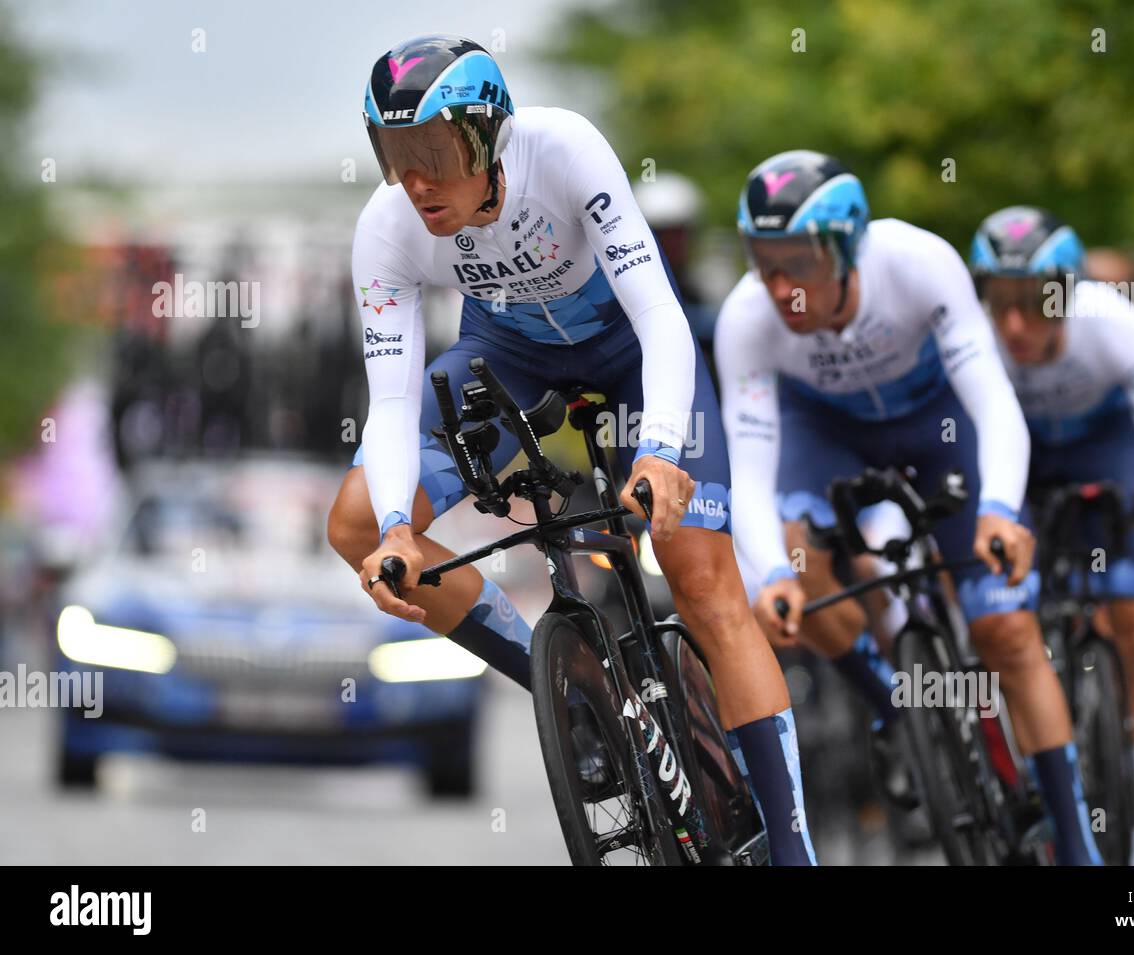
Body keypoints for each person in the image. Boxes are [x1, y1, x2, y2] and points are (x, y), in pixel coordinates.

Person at [325, 34, 817, 864]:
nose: (416, 179)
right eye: (394, 154)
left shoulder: (563, 148)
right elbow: (396, 395)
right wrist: (395, 525)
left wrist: (659, 447)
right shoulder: (387, 226)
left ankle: (796, 852)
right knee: (353, 525)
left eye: (435, 151)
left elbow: (660, 314)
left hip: (630, 351)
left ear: (487, 138)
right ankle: (578, 694)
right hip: (506, 358)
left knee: (697, 575)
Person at [717, 150, 1103, 865]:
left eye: (795, 260)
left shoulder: (917, 261)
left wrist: (997, 509)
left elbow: (992, 398)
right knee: (802, 569)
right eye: (761, 259)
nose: (778, 286)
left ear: (845, 246)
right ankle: (894, 702)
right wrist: (769, 571)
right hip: (825, 436)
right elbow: (750, 464)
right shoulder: (747, 315)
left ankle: (1081, 849)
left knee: (1008, 631)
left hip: (939, 428)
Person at [969, 205, 1134, 865]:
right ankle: (1034, 775)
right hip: (1024, 472)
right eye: (1000, 305)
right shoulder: (975, 341)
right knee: (1000, 623)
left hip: (1108, 461)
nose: (1015, 326)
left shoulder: (1118, 327)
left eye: (1033, 305)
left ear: (1068, 294)